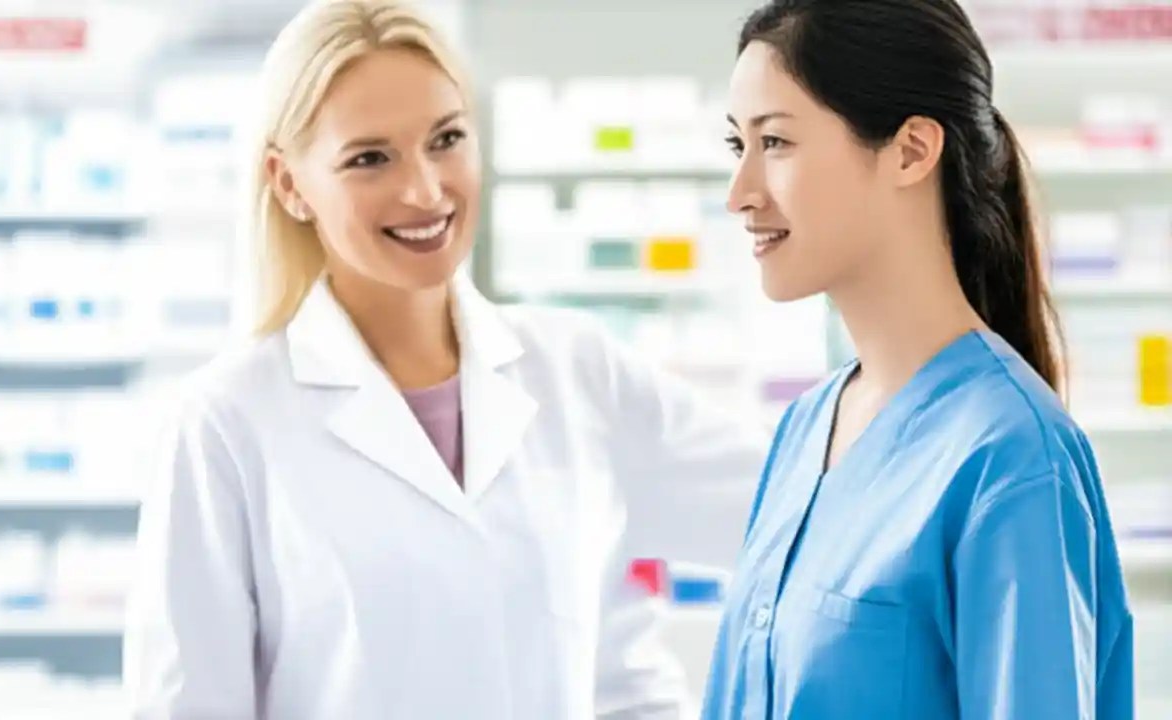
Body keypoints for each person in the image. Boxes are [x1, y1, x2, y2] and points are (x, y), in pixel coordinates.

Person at [123, 1, 761, 718]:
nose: (425, 190)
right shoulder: (228, 422)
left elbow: (801, 514)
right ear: (289, 184)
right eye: (369, 158)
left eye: (446, 139)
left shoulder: (577, 371)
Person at [701, 1, 1134, 719]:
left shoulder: (1014, 457)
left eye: (775, 142)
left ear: (911, 150)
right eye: (735, 147)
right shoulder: (808, 427)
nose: (739, 193)